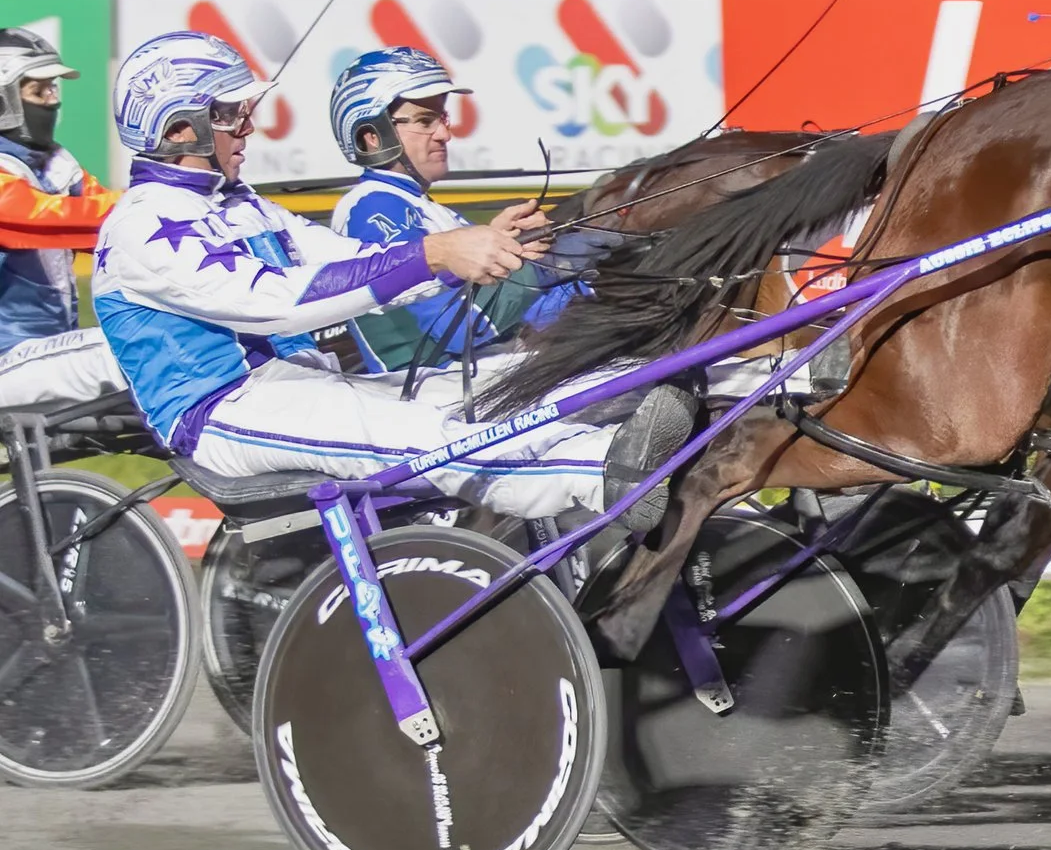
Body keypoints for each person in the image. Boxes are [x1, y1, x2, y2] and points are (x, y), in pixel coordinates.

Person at [92, 32, 695, 526]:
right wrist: (433, 254)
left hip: (307, 383)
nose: (246, 128)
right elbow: (278, 303)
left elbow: (353, 259)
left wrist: (481, 245)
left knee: (516, 379)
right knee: (422, 434)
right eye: (228, 115)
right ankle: (603, 474)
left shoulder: (244, 205)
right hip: (223, 412)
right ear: (176, 128)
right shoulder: (142, 225)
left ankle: (649, 416)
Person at [326, 46, 577, 375]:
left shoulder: (427, 209)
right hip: (433, 393)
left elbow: (539, 311)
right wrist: (534, 264)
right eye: (425, 121)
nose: (445, 134)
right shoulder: (372, 208)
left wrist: (587, 284)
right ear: (373, 137)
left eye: (442, 118)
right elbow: (460, 328)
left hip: (492, 375)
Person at [0, 28, 129, 408]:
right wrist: (158, 203)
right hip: (7, 359)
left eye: (54, 89)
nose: (53, 101)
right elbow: (39, 219)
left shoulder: (56, 162)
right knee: (146, 346)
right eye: (39, 91)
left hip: (41, 355)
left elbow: (114, 226)